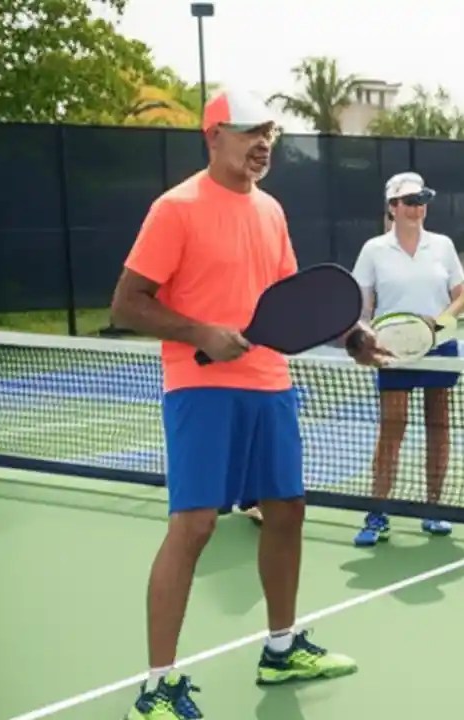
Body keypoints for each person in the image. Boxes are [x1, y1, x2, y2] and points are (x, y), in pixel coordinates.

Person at [110, 89, 389, 720]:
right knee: (196, 526)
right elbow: (127, 304)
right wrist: (201, 332)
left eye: (269, 132)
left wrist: (352, 336)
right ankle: (155, 689)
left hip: (271, 383)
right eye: (247, 132)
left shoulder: (270, 210)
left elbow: (294, 301)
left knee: (287, 510)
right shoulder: (175, 208)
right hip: (201, 388)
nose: (263, 143)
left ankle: (282, 648)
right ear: (213, 136)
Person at [349, 171, 464, 545]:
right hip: (392, 350)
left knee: (438, 426)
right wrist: (365, 337)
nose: (418, 208)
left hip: (440, 345)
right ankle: (377, 513)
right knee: (393, 427)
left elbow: (461, 293)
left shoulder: (443, 245)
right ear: (393, 207)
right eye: (410, 202)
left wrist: (441, 321)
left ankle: (433, 508)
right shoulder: (373, 250)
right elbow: (362, 304)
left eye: (421, 201)